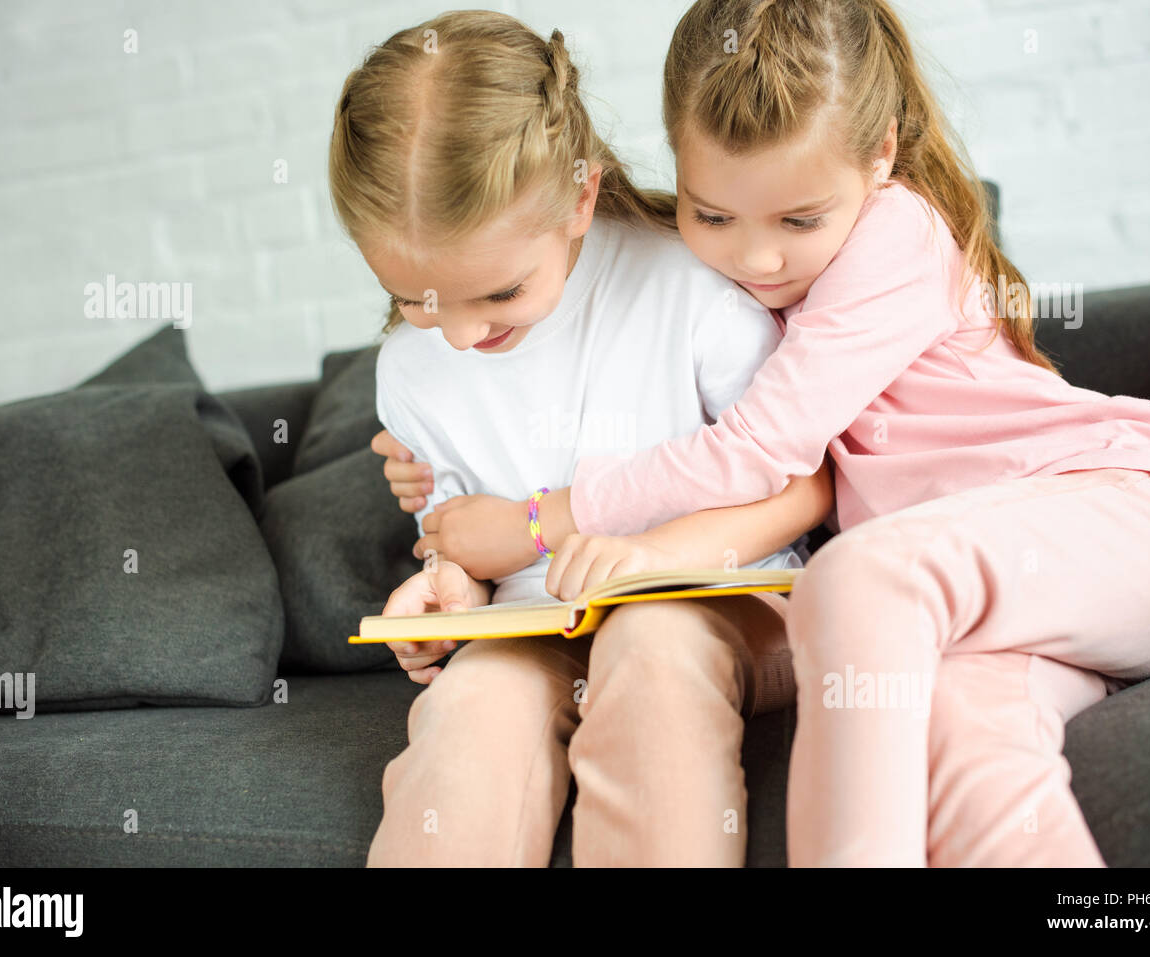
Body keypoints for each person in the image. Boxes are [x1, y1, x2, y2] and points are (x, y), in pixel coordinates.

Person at [373, 0, 1150, 866]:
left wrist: (545, 521)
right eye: (713, 217)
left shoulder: (894, 234)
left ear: (882, 154)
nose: (757, 260)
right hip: (996, 609)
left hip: (1116, 513)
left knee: (854, 581)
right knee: (970, 743)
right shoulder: (728, 292)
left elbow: (761, 450)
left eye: (798, 221)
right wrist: (447, 523)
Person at [330, 9, 832, 866]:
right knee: (471, 707)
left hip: (724, 601)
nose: (453, 334)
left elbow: (808, 485)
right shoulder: (410, 370)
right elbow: (458, 532)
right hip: (533, 620)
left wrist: (646, 554)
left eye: (497, 294)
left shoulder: (691, 289)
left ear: (580, 198)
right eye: (417, 300)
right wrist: (446, 591)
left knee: (653, 645)